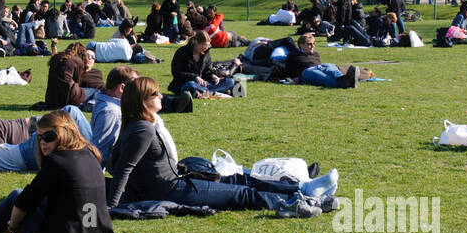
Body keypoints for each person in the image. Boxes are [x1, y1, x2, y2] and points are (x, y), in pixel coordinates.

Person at [106, 76, 336, 211]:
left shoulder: (136, 123)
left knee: (236, 180)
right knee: (242, 194)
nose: (161, 96)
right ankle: (301, 201)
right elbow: (124, 168)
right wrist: (113, 208)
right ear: (142, 101)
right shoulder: (143, 128)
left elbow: (118, 162)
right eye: (155, 94)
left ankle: (302, 189)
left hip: (177, 181)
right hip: (174, 190)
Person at [0, 110, 117, 233]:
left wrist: (13, 227)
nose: (42, 142)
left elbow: (23, 202)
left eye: (48, 136)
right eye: (39, 137)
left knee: (16, 196)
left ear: (64, 132)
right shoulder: (91, 154)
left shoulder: (56, 162)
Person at [169, 31, 239, 98]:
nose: (206, 48)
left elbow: (207, 72)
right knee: (191, 85)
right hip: (185, 84)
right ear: (196, 42)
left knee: (230, 81)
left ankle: (203, 93)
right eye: (204, 45)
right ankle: (215, 92)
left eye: (208, 46)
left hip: (202, 86)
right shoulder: (182, 52)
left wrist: (213, 76)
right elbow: (176, 73)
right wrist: (195, 77)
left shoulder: (206, 53)